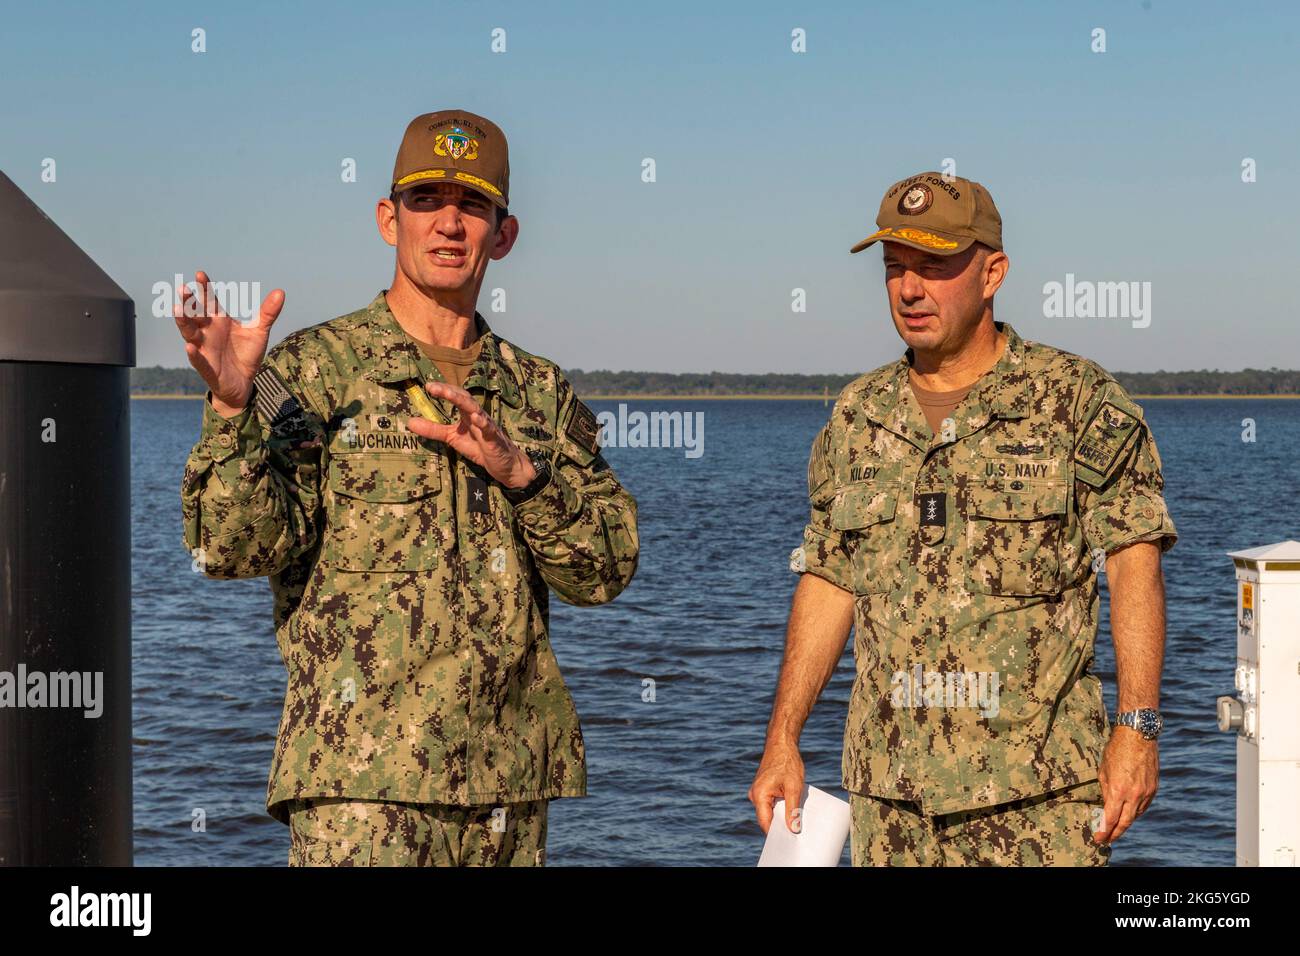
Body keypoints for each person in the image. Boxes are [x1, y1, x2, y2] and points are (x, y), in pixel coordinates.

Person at [176, 109, 639, 866]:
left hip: (506, 787)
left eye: (473, 206)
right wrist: (232, 407)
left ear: (505, 233)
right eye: (427, 201)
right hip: (361, 787)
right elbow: (229, 549)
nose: (450, 224)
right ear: (389, 219)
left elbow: (607, 569)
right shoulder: (315, 371)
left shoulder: (536, 391)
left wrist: (522, 476)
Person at [748, 171, 1176, 866]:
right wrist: (783, 739)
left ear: (992, 272)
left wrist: (1138, 727)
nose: (910, 289)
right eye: (896, 269)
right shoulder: (858, 416)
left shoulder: (1075, 400)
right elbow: (830, 580)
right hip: (889, 807)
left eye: (935, 267)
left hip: (1037, 805)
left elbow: (1136, 563)